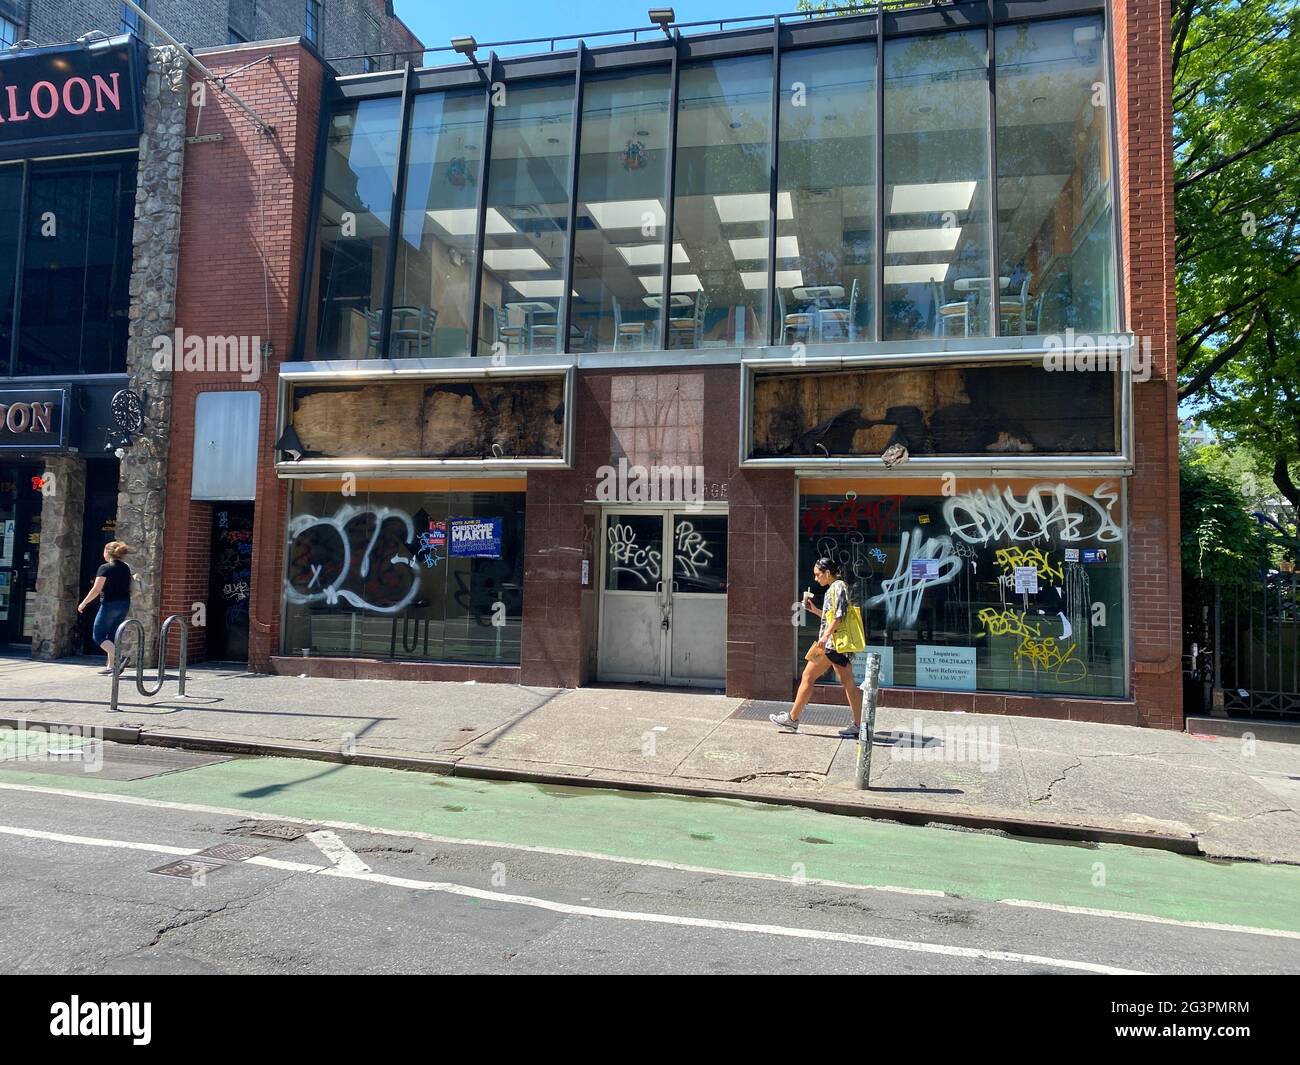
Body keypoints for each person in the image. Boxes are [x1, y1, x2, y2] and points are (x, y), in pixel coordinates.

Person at [770, 558, 865, 737]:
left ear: (827, 573)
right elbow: (831, 617)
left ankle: (792, 719)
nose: (816, 579)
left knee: (807, 676)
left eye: (817, 574)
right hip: (836, 646)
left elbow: (839, 616)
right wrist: (814, 610)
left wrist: (826, 635)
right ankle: (860, 725)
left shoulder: (837, 587)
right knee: (848, 683)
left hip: (830, 646)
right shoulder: (837, 587)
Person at [77, 541, 133, 675]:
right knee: (112, 635)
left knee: (98, 636)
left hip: (109, 604)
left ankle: (121, 657)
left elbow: (96, 589)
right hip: (124, 603)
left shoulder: (105, 568)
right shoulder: (126, 567)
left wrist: (83, 603)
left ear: (107, 552)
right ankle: (111, 666)